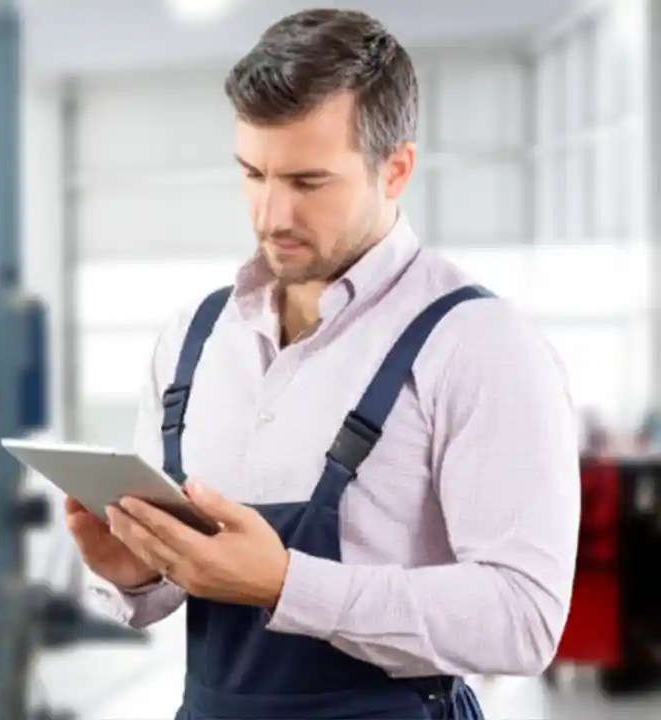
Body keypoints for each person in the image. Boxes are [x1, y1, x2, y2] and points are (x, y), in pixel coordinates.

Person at [66, 9, 579, 720]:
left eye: (308, 182)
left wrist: (287, 584)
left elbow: (525, 619)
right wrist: (136, 572)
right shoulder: (194, 338)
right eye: (252, 173)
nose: (271, 214)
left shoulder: (479, 344)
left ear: (395, 169)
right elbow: (176, 585)